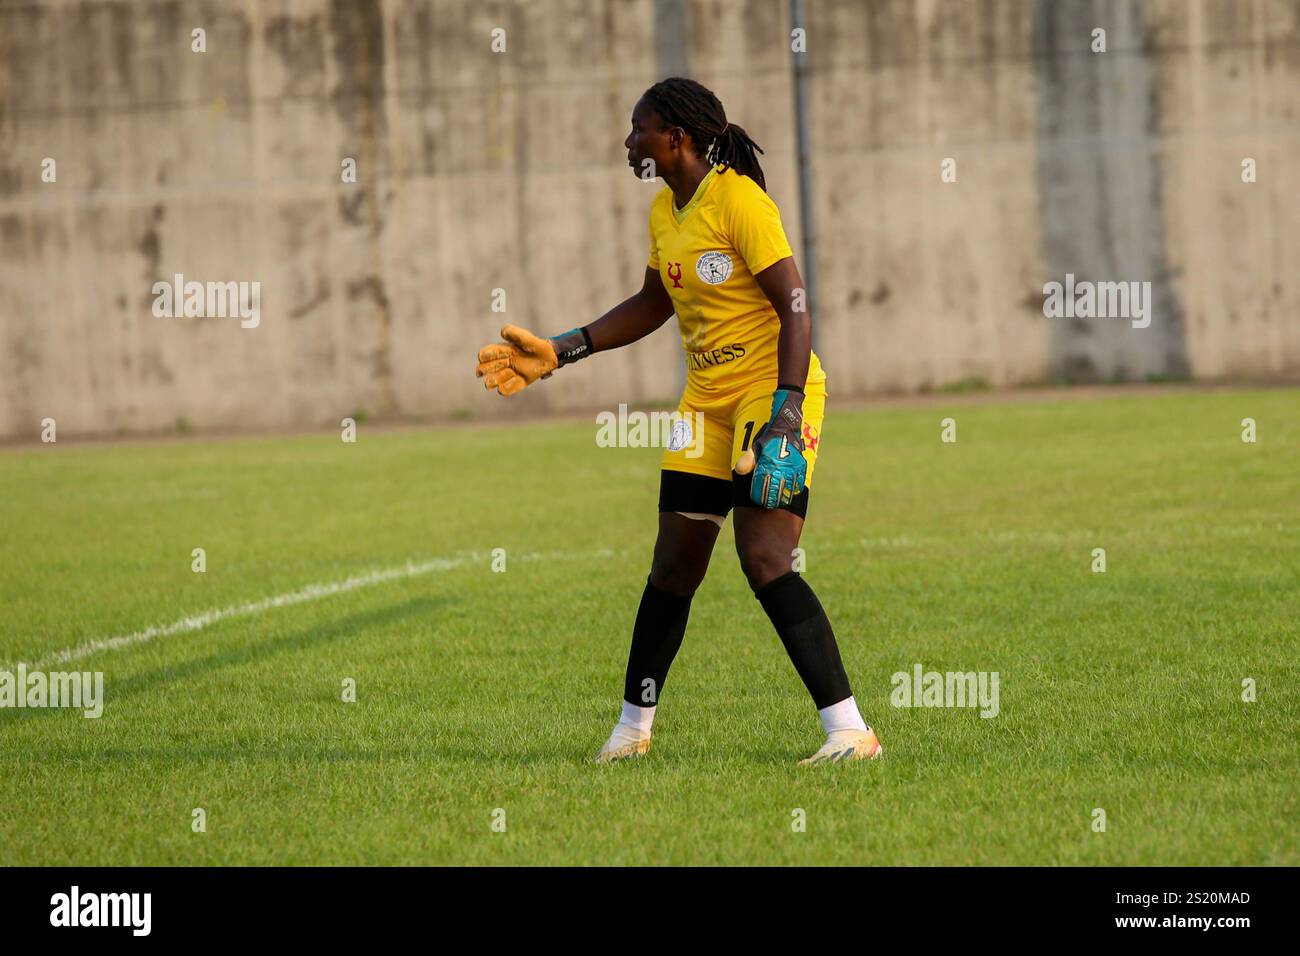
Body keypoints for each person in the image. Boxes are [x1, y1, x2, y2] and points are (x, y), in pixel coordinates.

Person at [475, 77, 881, 766]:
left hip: (770, 395)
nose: (630, 140)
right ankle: (632, 731)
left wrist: (785, 411)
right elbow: (653, 302)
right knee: (673, 565)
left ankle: (849, 732)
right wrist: (562, 349)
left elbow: (797, 306)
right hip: (706, 405)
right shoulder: (666, 211)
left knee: (764, 557)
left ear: (678, 137)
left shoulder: (741, 201)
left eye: (639, 128)